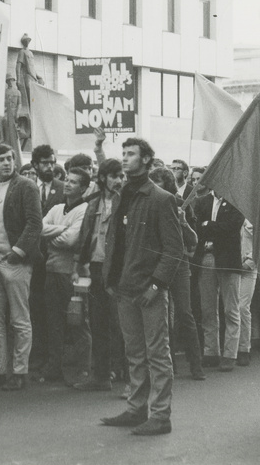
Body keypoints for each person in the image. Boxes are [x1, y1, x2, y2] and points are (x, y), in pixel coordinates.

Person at [100, 138, 184, 436]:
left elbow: (174, 249)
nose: (124, 158)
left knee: (157, 354)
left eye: (131, 154)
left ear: (146, 159)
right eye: (123, 153)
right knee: (134, 353)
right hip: (124, 287)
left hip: (148, 289)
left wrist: (157, 285)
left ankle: (160, 415)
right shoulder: (121, 195)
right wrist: (110, 279)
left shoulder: (161, 199)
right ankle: (137, 409)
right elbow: (115, 241)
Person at [0, 144, 43, 390]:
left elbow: (35, 223)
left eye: (10, 158)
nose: (7, 163)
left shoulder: (25, 186)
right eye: (1, 159)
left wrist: (18, 252)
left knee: (19, 319)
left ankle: (20, 372)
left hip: (15, 261)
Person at [73, 158, 128, 392]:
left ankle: (129, 379)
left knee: (121, 325)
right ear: (103, 178)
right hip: (95, 267)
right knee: (98, 322)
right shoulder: (94, 201)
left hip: (117, 268)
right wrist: (79, 263)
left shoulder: (125, 200)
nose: (119, 180)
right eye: (115, 176)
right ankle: (101, 376)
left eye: (122, 176)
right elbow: (85, 233)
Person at [148, 166, 205, 380]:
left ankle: (196, 364)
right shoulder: (147, 204)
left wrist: (183, 222)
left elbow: (193, 240)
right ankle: (169, 363)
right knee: (161, 317)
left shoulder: (180, 204)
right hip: (156, 264)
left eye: (159, 186)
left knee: (184, 313)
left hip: (179, 264)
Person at [39, 167, 90, 384]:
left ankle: (84, 369)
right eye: (67, 180)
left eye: (74, 182)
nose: (67, 184)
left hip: (72, 273)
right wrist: (63, 230)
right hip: (52, 269)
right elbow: (39, 228)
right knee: (54, 321)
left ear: (84, 188)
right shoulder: (57, 208)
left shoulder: (85, 210)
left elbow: (72, 241)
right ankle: (54, 367)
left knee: (77, 321)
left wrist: (51, 234)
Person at [191, 190, 245, 371]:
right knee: (207, 308)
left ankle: (230, 354)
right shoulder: (202, 202)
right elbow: (197, 227)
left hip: (228, 260)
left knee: (231, 309)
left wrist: (209, 225)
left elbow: (231, 227)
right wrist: (212, 227)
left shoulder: (235, 201)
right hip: (206, 257)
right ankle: (211, 351)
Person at [29, 144, 64, 374]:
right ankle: (38, 353)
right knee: (35, 307)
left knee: (54, 310)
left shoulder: (63, 188)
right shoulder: (28, 187)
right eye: (45, 163)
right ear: (35, 165)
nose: (50, 167)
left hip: (55, 254)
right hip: (33, 257)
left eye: (52, 162)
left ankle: (54, 358)